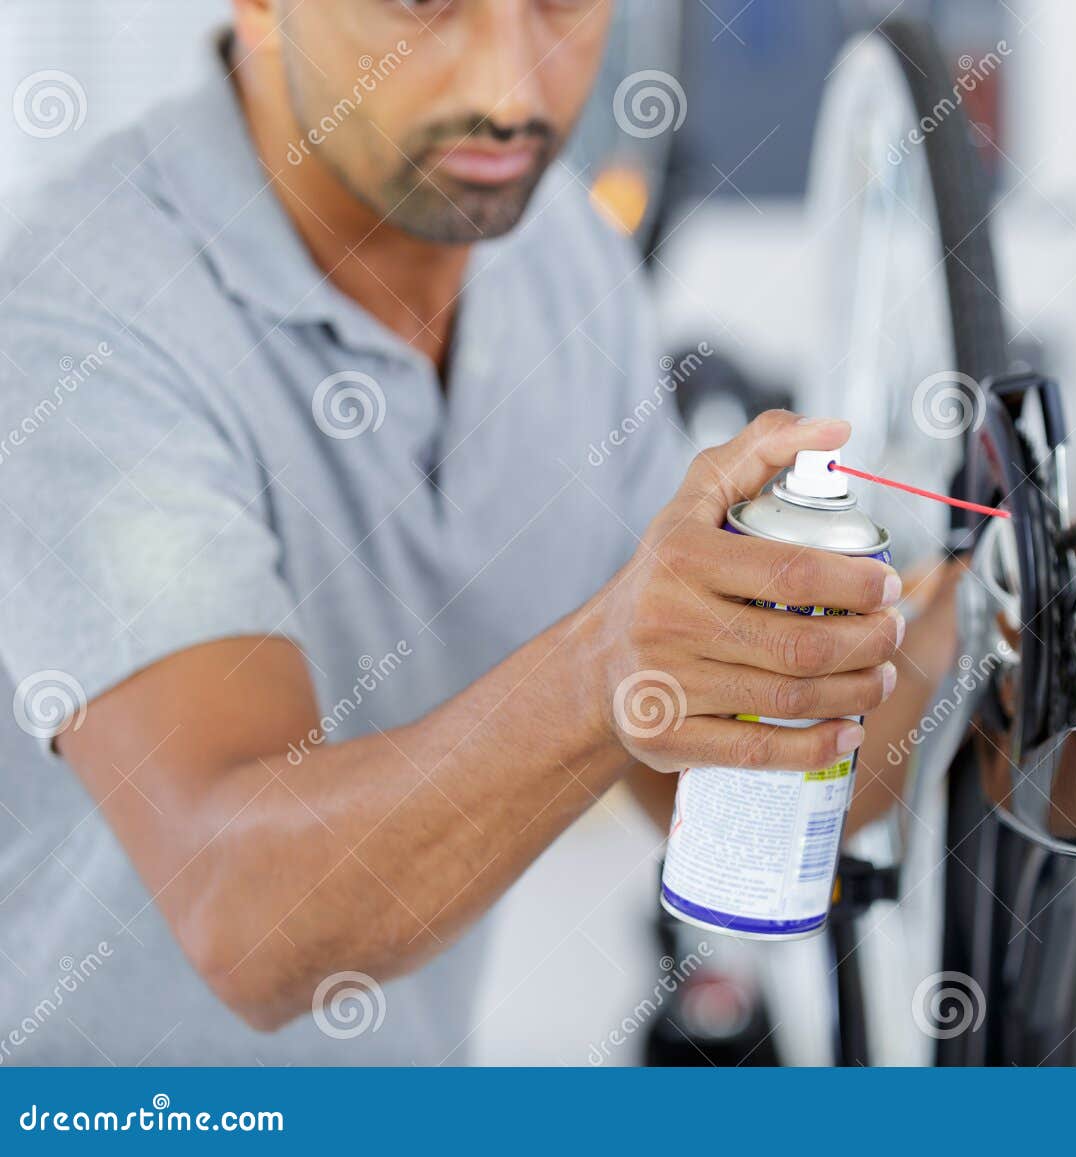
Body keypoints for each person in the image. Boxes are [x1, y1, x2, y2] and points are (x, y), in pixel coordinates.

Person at [0, 0, 954, 1065]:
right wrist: (607, 658)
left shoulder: (563, 259)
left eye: (560, 2)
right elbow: (250, 923)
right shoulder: (74, 317)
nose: (511, 94)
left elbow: (688, 777)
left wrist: (942, 651)